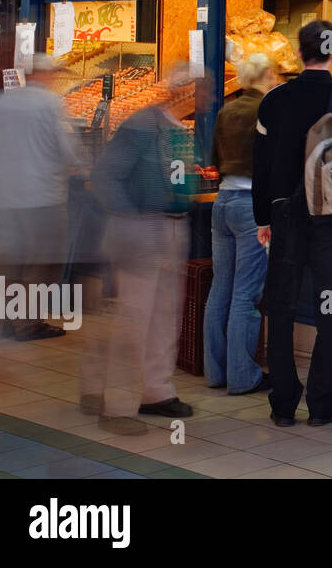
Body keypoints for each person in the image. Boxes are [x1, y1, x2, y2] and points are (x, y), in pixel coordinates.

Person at [254, 20, 332, 427]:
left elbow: (262, 167)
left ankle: (283, 404)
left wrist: (263, 219)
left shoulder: (273, 99)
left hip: (286, 218)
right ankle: (322, 402)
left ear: (299, 52)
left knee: (282, 309)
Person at [80, 76, 195, 434]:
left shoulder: (179, 130)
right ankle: (114, 406)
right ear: (183, 91)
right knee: (134, 319)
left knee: (164, 316)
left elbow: (175, 180)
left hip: (170, 228)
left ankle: (156, 391)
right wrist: (132, 220)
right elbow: (104, 177)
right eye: (199, 88)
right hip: (141, 230)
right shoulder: (143, 125)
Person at [0, 54, 82, 341]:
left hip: (6, 196)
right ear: (44, 74)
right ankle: (28, 323)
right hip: (43, 196)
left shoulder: (3, 102)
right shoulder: (51, 103)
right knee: (44, 262)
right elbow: (66, 147)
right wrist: (80, 166)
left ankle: (8, 320)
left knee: (11, 262)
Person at [204, 53, 278, 395]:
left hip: (223, 202)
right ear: (267, 75)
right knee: (247, 293)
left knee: (221, 288)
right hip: (252, 206)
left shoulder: (227, 109)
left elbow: (214, 159)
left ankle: (215, 372)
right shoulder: (268, 110)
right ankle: (242, 376)